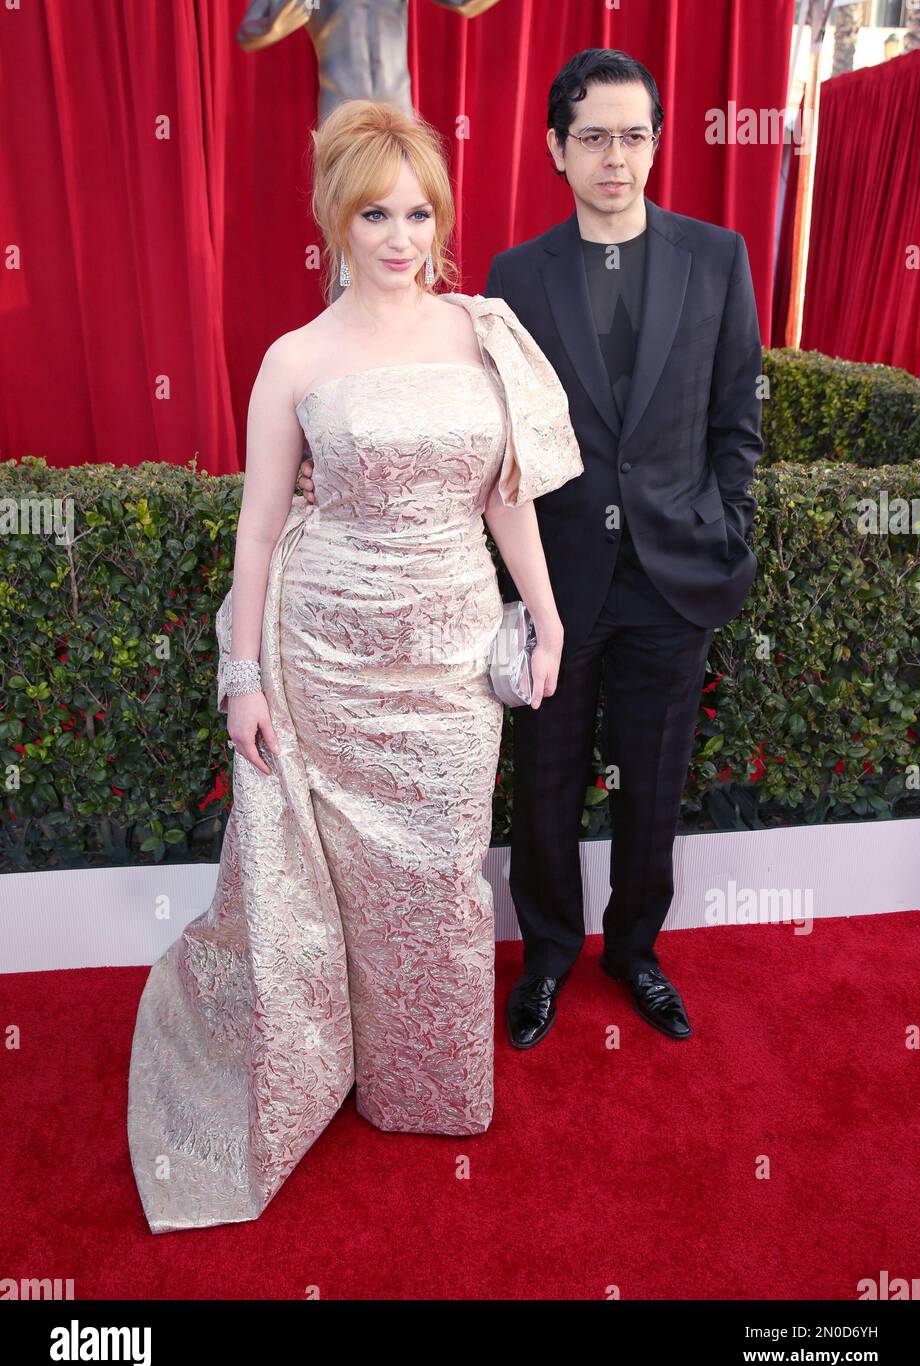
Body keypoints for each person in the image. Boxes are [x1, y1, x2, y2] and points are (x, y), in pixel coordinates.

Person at [126, 98, 583, 1234]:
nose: (399, 235)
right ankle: (326, 1062)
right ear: (338, 216)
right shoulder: (296, 358)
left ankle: (427, 1083)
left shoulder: (483, 332)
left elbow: (505, 490)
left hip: (447, 655)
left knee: (434, 872)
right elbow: (259, 532)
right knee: (335, 881)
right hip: (325, 649)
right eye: (376, 211)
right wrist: (245, 680)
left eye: (418, 211)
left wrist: (546, 608)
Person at [301, 48, 765, 1053]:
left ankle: (636, 951)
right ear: (557, 147)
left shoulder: (715, 256)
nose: (616, 155)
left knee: (654, 780)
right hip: (556, 579)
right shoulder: (516, 276)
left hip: (675, 576)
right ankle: (548, 955)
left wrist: (728, 523)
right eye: (593, 136)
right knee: (544, 782)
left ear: (654, 142)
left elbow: (737, 420)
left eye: (634, 134)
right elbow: (494, 436)